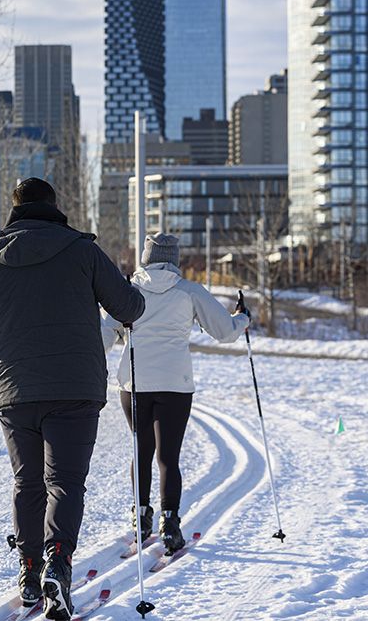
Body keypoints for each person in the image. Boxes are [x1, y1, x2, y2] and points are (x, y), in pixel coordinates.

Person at [0, 177, 144, 620]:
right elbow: (129, 309)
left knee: (27, 483)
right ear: (54, 207)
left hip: (15, 391)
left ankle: (30, 569)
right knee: (65, 483)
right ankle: (59, 560)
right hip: (75, 389)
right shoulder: (83, 251)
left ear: (14, 211)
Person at [101, 232, 250, 554]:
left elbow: (103, 334)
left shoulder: (127, 290)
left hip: (135, 382)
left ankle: (140, 518)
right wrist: (242, 318)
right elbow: (225, 332)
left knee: (141, 448)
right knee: (168, 457)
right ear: (175, 259)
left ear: (145, 257)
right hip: (175, 383)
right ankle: (170, 523)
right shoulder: (189, 291)